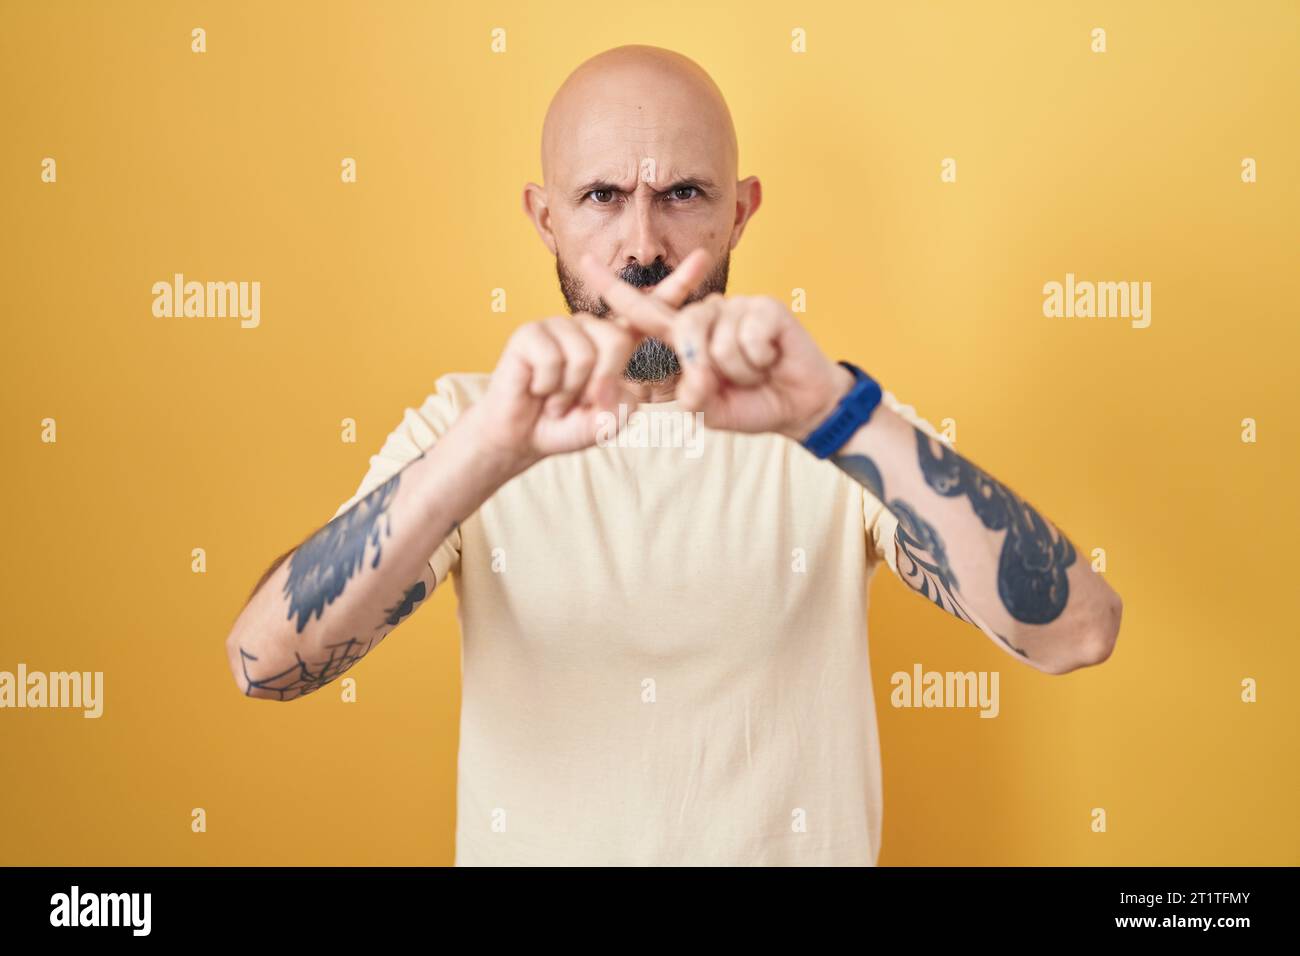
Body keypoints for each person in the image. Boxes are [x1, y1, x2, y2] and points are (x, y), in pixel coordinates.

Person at [224, 44, 1123, 866]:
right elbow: (262, 663)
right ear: (545, 219)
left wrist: (837, 416)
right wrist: (484, 454)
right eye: (602, 197)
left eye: (683, 194)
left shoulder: (830, 420)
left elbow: (1078, 631)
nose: (644, 246)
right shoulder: (468, 424)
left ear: (740, 212)